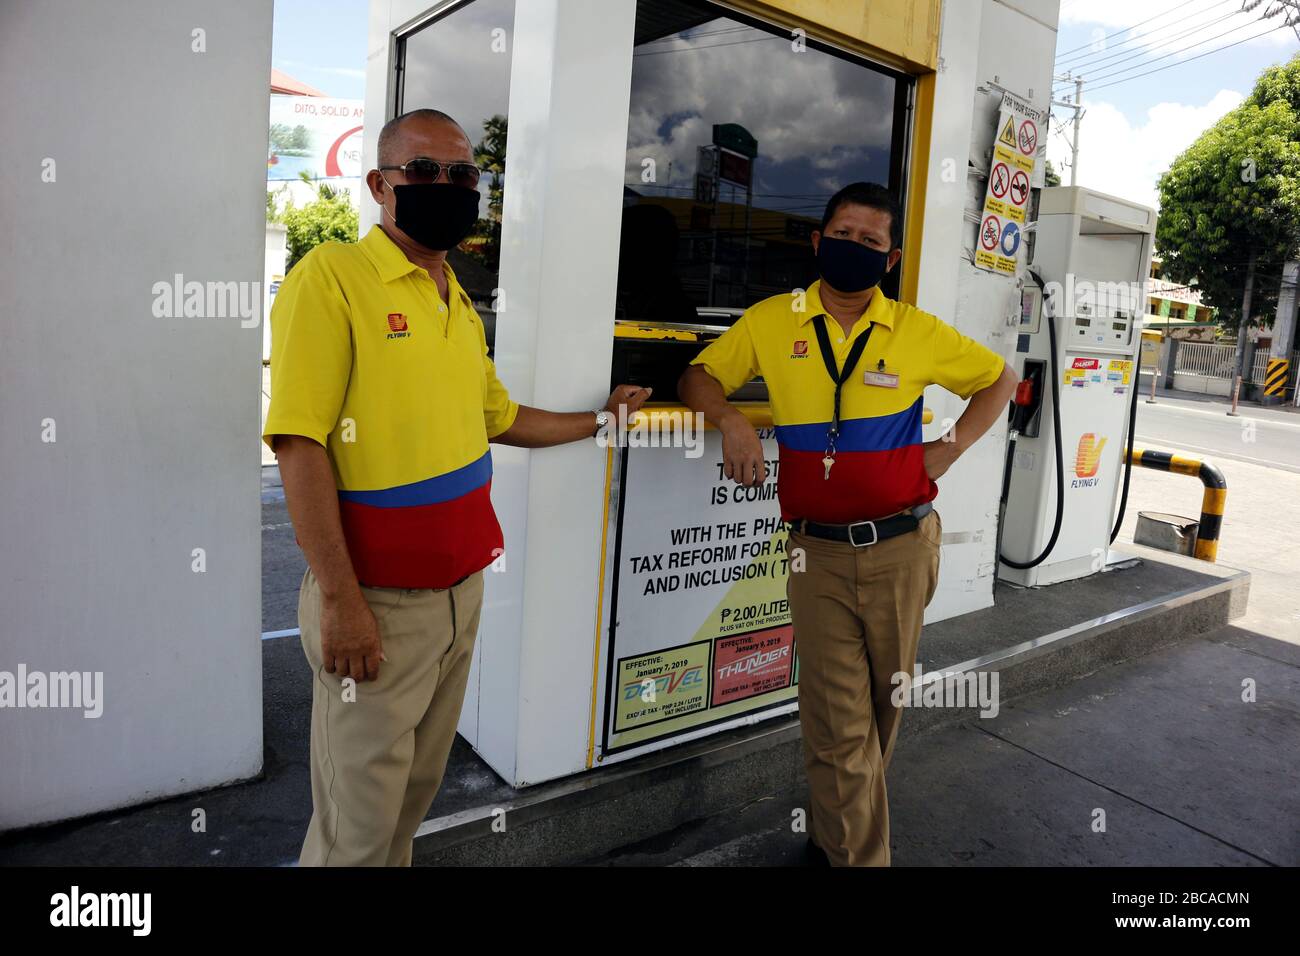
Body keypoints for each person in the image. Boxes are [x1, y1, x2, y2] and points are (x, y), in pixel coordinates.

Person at [263, 108, 650, 866]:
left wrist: (599, 421)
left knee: (410, 799)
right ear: (380, 184)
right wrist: (341, 602)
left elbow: (499, 418)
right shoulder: (334, 277)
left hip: (457, 596)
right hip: (373, 602)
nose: (449, 186)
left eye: (465, 175)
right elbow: (298, 443)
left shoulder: (457, 301)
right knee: (358, 828)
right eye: (426, 172)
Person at [678, 181, 1018, 866]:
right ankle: (857, 856)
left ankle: (835, 831)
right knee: (838, 721)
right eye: (843, 234)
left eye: (870, 241)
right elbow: (698, 377)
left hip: (903, 545)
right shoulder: (773, 320)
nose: (853, 248)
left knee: (882, 706)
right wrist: (732, 419)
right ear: (817, 240)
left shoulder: (917, 332)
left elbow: (999, 380)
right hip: (817, 555)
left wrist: (946, 450)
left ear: (888, 259)